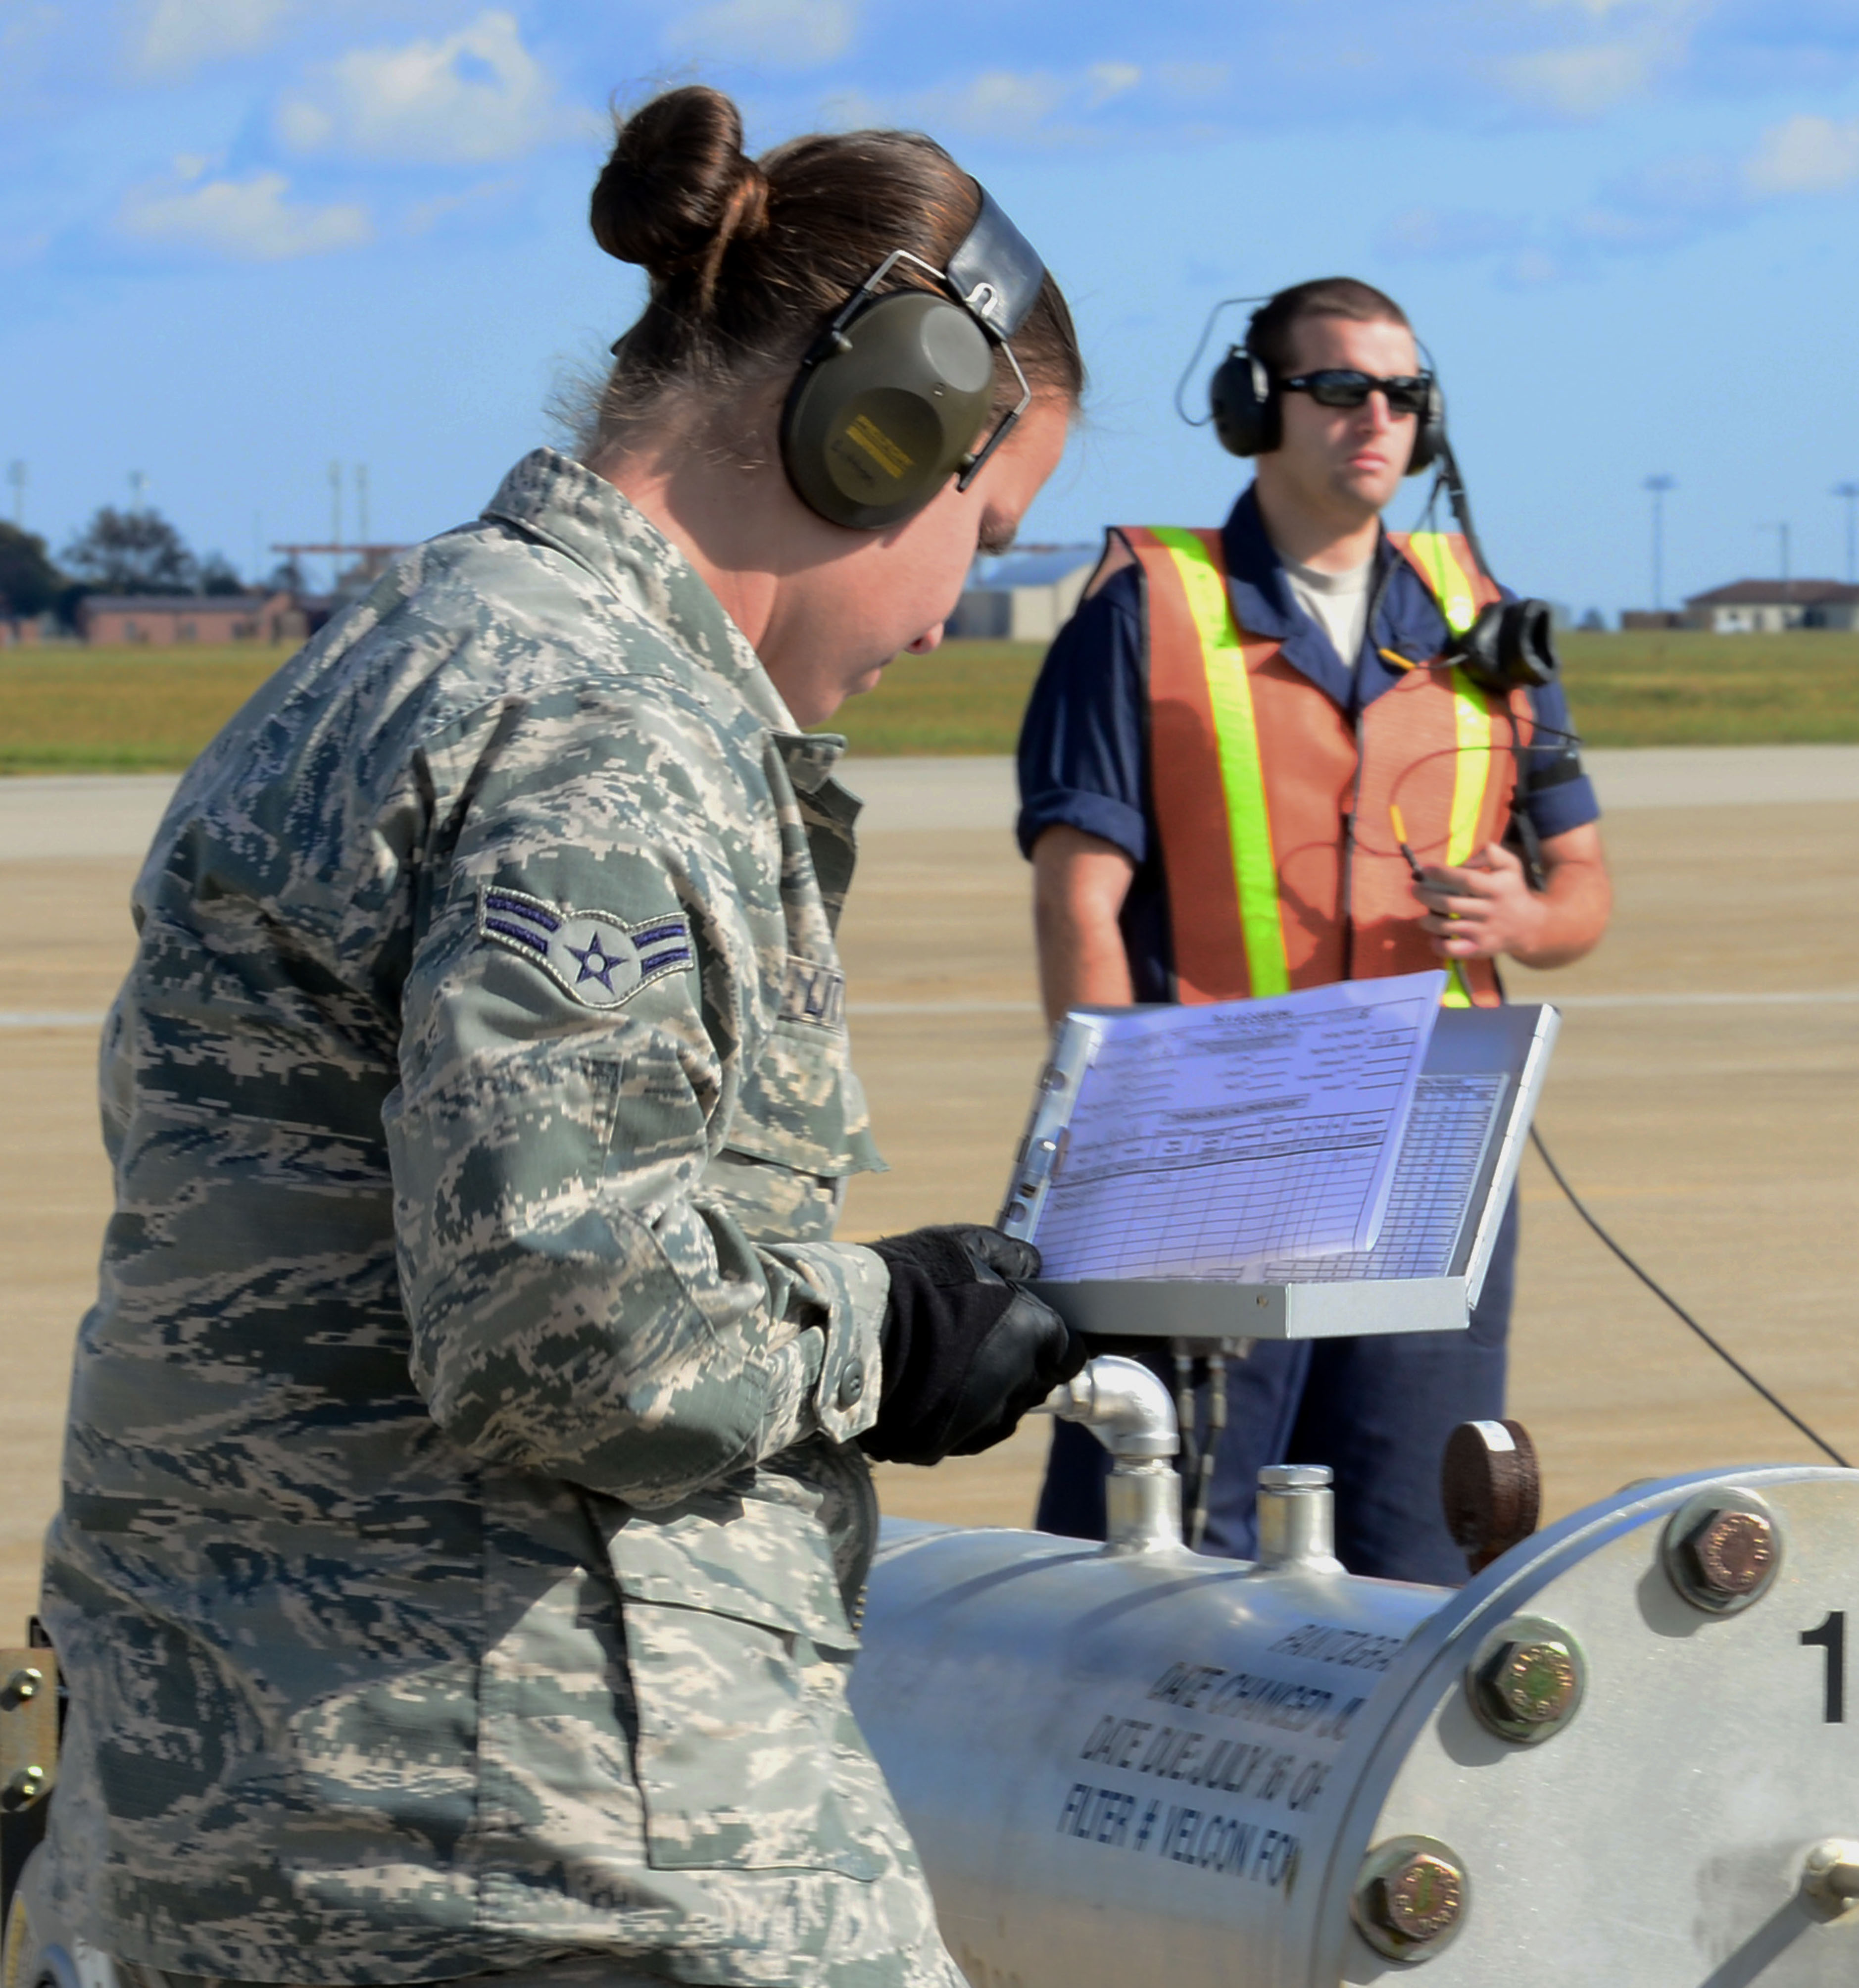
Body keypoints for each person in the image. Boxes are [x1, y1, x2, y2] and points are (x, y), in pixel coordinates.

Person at [19, 86, 1086, 1988]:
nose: (958, 609)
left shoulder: (403, 646)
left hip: (222, 1789)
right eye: (985, 524)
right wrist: (896, 1330)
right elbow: (563, 1333)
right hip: (537, 1819)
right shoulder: (607, 731)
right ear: (876, 434)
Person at [1016, 277, 1612, 1585]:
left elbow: (1580, 885)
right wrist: (1123, 1135)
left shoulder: (1490, 629)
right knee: (1170, 1545)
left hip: (1433, 1134)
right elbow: (1080, 901)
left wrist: (1527, 914)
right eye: (1339, 389)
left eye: (1404, 395)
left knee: (1420, 1542)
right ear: (1254, 410)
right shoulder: (1147, 616)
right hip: (1219, 1128)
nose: (1376, 418)